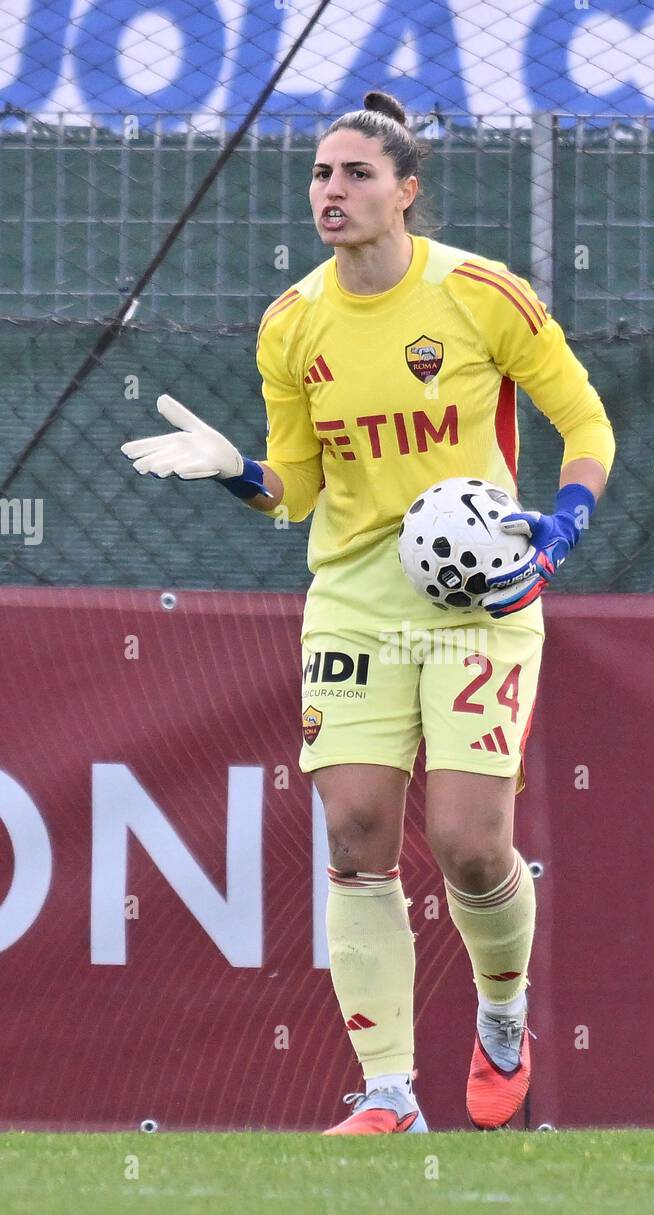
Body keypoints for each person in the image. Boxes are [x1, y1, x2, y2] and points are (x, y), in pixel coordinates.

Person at [122, 90, 615, 1135]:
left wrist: (562, 524)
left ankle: (500, 1012)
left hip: (478, 604)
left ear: (406, 191)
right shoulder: (293, 322)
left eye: (354, 174)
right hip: (351, 599)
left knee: (471, 844)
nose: (330, 191)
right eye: (319, 174)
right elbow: (293, 488)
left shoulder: (482, 294)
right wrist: (232, 470)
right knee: (353, 832)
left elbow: (582, 420)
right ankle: (388, 1090)